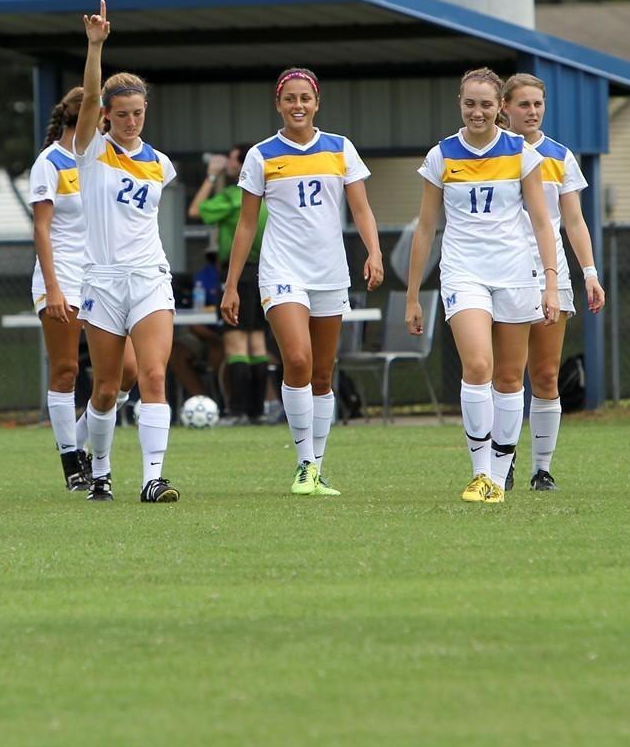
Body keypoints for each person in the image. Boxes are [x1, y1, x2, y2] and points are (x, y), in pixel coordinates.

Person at [221, 67, 383, 495]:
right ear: (278, 104)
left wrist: (374, 251)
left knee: (323, 374)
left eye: (305, 98)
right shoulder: (261, 155)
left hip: (329, 272)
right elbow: (246, 224)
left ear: (316, 103)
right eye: (290, 98)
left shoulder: (340, 148)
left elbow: (361, 209)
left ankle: (318, 469)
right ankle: (304, 463)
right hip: (282, 271)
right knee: (297, 360)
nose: (298, 105)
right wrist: (232, 285)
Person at [404, 67, 560, 504]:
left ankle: (500, 474)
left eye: (486, 104)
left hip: (515, 273)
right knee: (477, 366)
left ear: (500, 107)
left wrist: (551, 283)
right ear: (460, 103)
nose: (477, 112)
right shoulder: (442, 155)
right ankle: (480, 474)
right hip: (463, 272)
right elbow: (425, 228)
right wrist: (413, 296)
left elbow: (542, 223)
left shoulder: (521, 152)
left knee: (510, 377)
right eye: (470, 103)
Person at [74, 0, 180, 503]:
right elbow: (90, 96)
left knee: (154, 375)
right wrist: (96, 47)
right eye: (122, 114)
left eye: (138, 113)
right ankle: (100, 472)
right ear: (107, 116)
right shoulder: (92, 150)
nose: (131, 121)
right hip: (102, 280)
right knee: (106, 388)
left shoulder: (161, 163)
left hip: (149, 277)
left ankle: (152, 479)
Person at [27, 85, 139, 491]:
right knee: (66, 369)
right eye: (107, 116)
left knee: (128, 371)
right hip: (61, 276)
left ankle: (77, 442)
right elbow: (42, 229)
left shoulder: (106, 158)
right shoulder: (50, 162)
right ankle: (71, 463)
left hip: (101, 277)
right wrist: (53, 288)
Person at [500, 73, 606, 491]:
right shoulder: (493, 151)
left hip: (551, 274)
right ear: (505, 107)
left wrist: (590, 273)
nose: (531, 112)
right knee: (505, 376)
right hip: (503, 272)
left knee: (545, 375)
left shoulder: (560, 155)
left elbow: (574, 221)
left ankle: (541, 470)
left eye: (537, 104)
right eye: (523, 104)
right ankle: (501, 461)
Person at [192, 144, 271, 423]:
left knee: (236, 345)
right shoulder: (268, 196)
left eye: (233, 159)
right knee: (257, 344)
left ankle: (237, 411)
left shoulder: (234, 196)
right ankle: (257, 411)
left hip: (238, 274)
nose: (228, 163)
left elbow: (196, 210)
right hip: (265, 273)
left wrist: (212, 176)